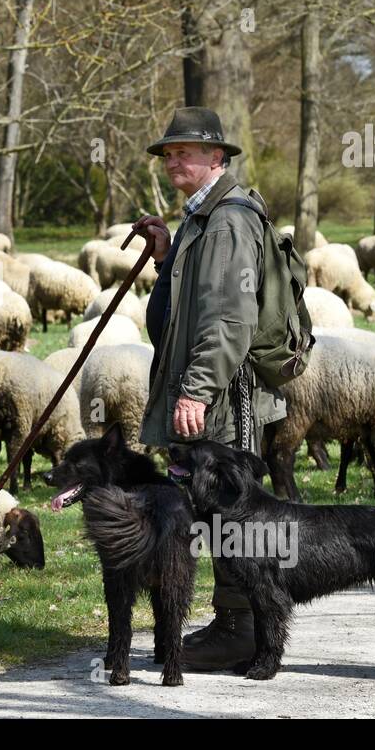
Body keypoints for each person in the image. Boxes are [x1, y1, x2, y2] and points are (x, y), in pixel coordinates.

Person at [135, 106, 287, 672]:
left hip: (227, 393)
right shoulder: (205, 218)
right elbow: (195, 298)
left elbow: (227, 318)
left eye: (187, 151)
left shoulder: (226, 220)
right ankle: (234, 621)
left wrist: (195, 390)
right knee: (215, 510)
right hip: (216, 387)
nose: (175, 159)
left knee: (232, 510)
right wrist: (166, 254)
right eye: (169, 152)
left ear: (216, 158)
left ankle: (243, 628)